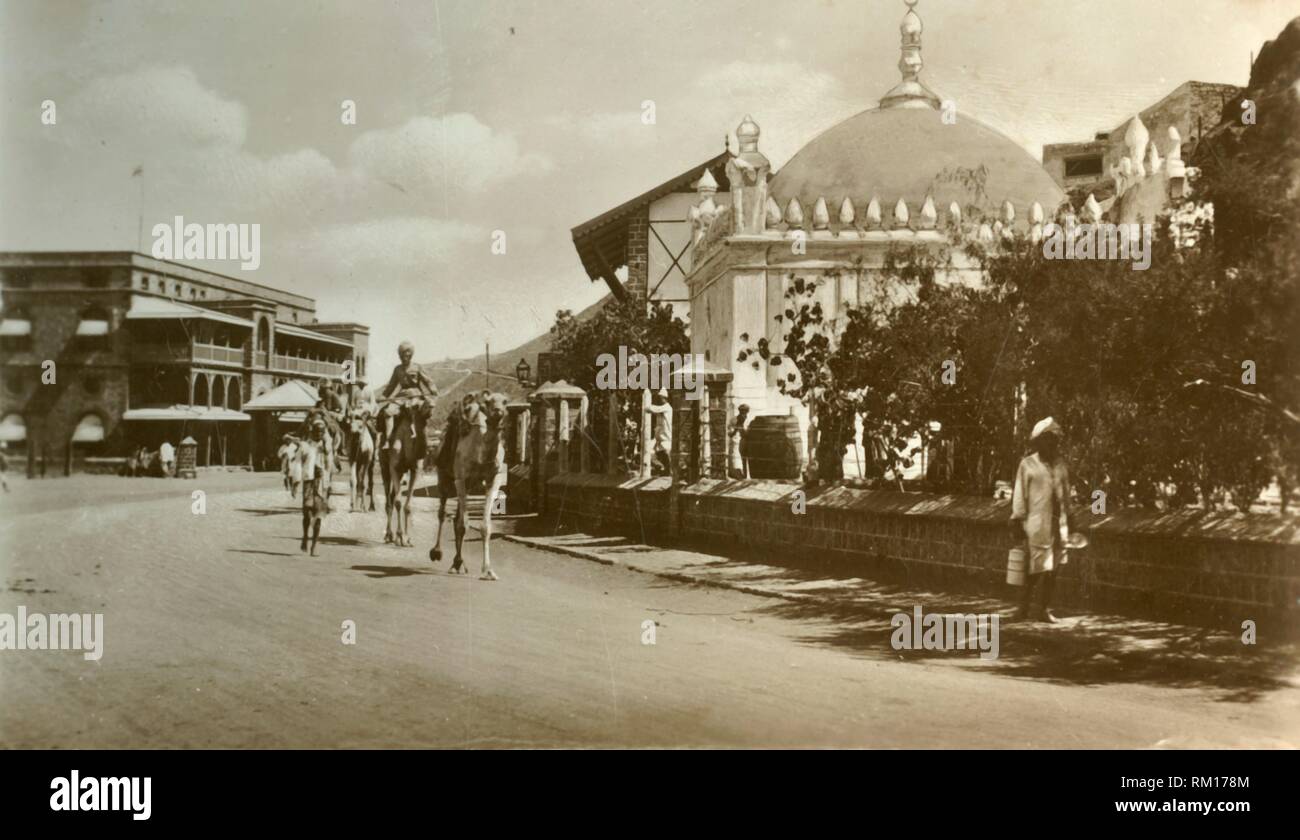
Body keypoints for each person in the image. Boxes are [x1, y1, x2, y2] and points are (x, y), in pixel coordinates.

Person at [1010, 416, 1073, 622]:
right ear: (1038, 441)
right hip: (1036, 524)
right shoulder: (1027, 464)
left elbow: (1065, 494)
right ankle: (1023, 609)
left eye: (1055, 440)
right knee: (1033, 570)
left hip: (1058, 524)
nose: (1052, 444)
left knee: (1053, 571)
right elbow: (1020, 493)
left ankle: (1044, 610)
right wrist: (1018, 519)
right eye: (1047, 439)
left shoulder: (1061, 466)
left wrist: (1070, 518)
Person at [379, 341, 438, 454]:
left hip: (415, 394)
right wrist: (382, 396)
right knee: (388, 412)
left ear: (410, 355)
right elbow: (391, 386)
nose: (404, 357)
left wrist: (433, 390)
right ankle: (387, 439)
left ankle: (420, 439)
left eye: (406, 355)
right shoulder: (397, 369)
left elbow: (428, 381)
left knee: (420, 410)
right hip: (401, 396)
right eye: (402, 355)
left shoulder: (417, 367)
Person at [299, 419, 330, 555]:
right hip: (309, 483)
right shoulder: (305, 446)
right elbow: (297, 464)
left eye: (322, 432)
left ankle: (314, 545)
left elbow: (331, 466)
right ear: (312, 432)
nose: (319, 434)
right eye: (317, 431)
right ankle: (305, 536)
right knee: (307, 513)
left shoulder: (327, 448)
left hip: (322, 484)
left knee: (318, 516)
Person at [645, 388, 674, 478]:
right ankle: (663, 468)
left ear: (665, 398)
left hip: (666, 437)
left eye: (661, 398)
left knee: (666, 454)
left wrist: (646, 404)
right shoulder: (661, 409)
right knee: (649, 452)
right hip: (659, 438)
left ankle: (668, 471)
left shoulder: (666, 408)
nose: (660, 400)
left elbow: (651, 409)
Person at [728, 403, 751, 479]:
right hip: (740, 441)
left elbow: (748, 433)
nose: (744, 413)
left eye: (745, 411)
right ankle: (743, 475)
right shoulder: (734, 420)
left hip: (749, 441)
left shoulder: (749, 421)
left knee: (749, 458)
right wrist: (737, 428)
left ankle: (747, 475)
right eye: (742, 411)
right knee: (742, 458)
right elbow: (730, 434)